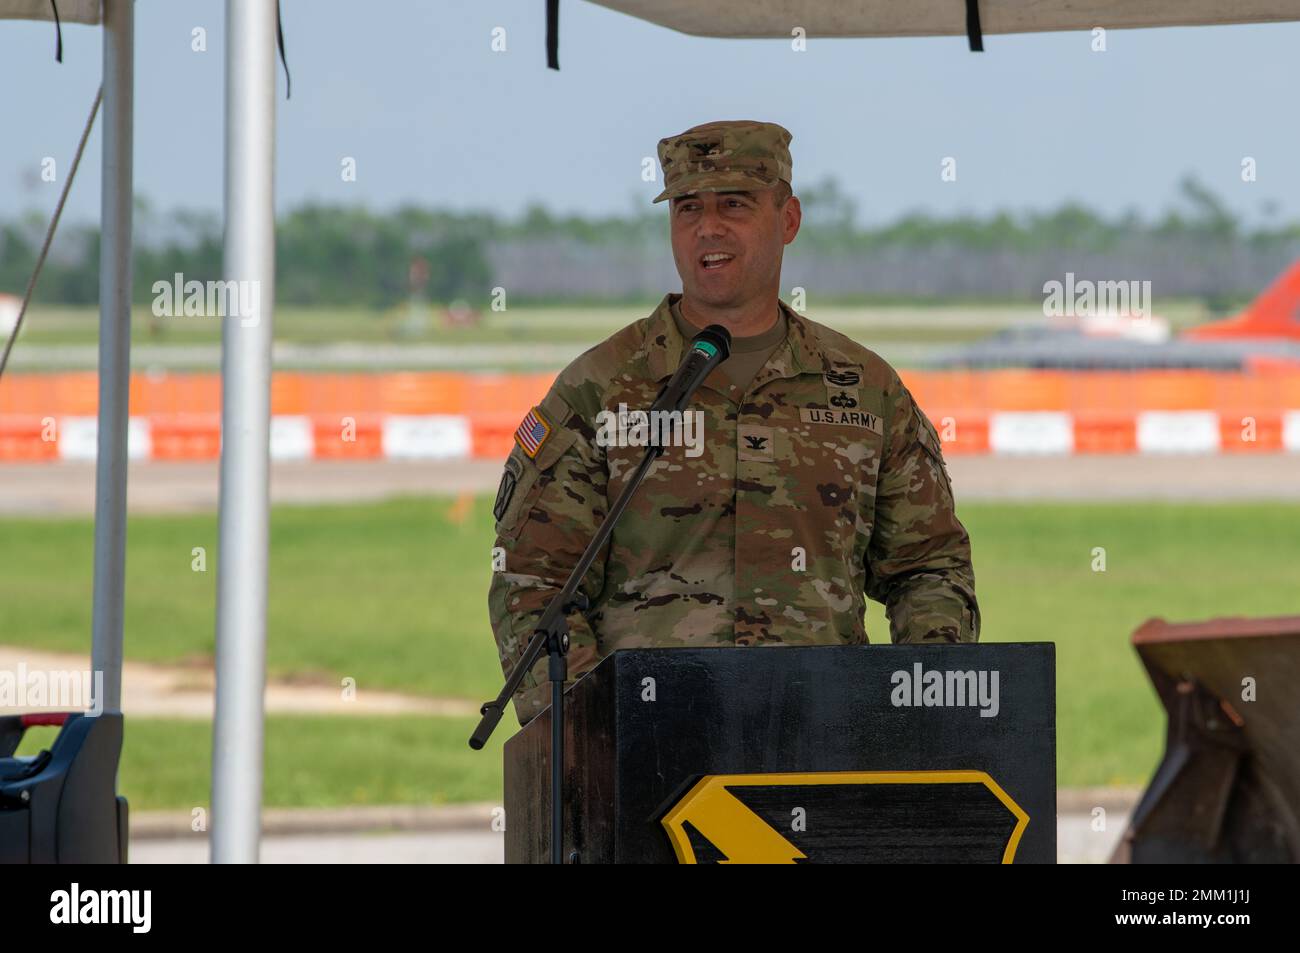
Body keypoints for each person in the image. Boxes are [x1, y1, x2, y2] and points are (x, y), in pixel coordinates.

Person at [488, 119, 979, 725]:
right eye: (687, 208)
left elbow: (929, 566)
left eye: (735, 205)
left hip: (824, 744)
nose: (708, 227)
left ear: (789, 219)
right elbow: (532, 583)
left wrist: (920, 712)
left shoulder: (867, 392)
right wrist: (595, 737)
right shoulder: (601, 388)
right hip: (650, 754)